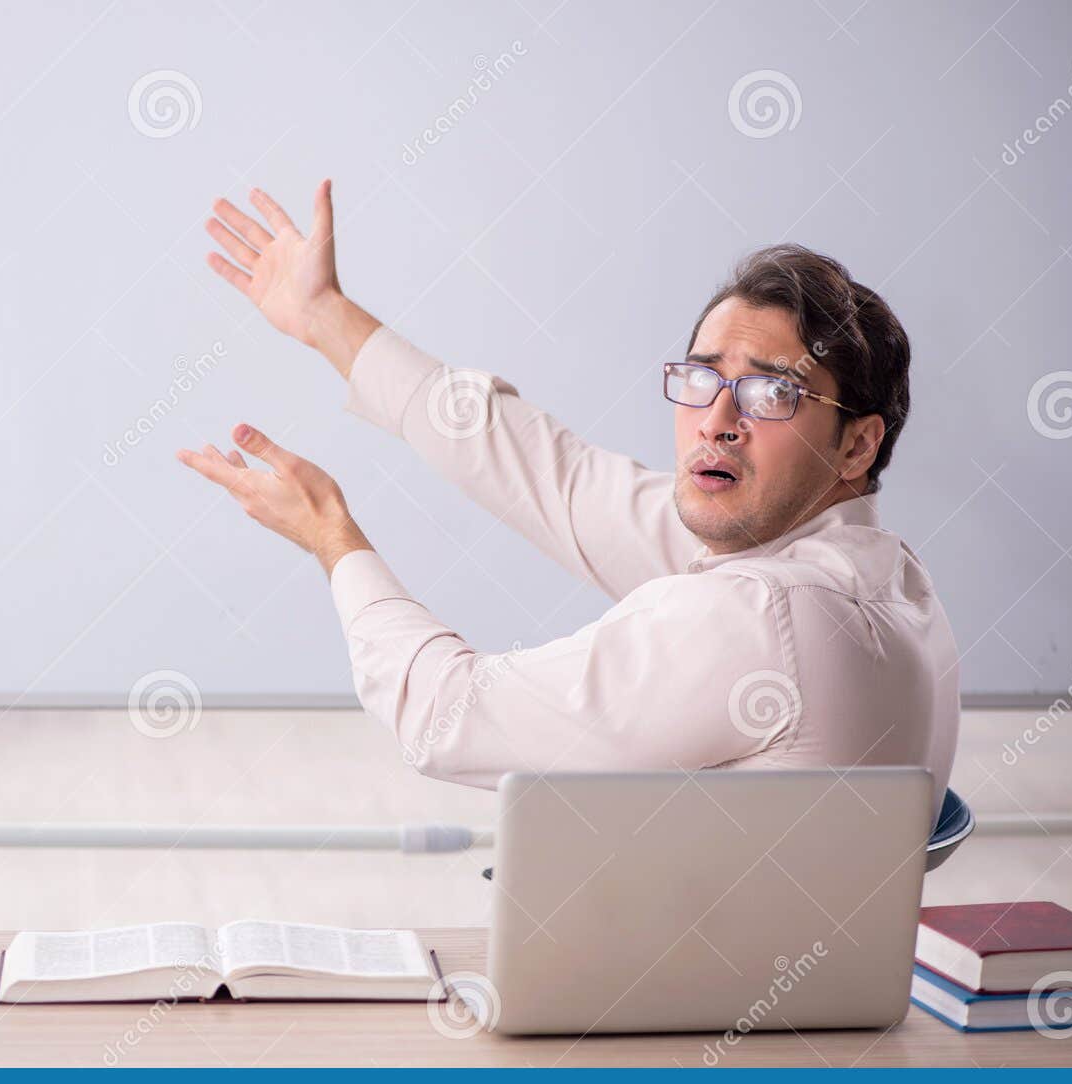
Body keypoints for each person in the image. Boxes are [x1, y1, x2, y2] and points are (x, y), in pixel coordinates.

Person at [178, 181, 959, 816]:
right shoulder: (886, 577)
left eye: (770, 393)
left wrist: (332, 537)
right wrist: (325, 317)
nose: (717, 421)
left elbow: (446, 715)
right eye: (701, 377)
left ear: (857, 444)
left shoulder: (762, 616)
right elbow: (560, 480)